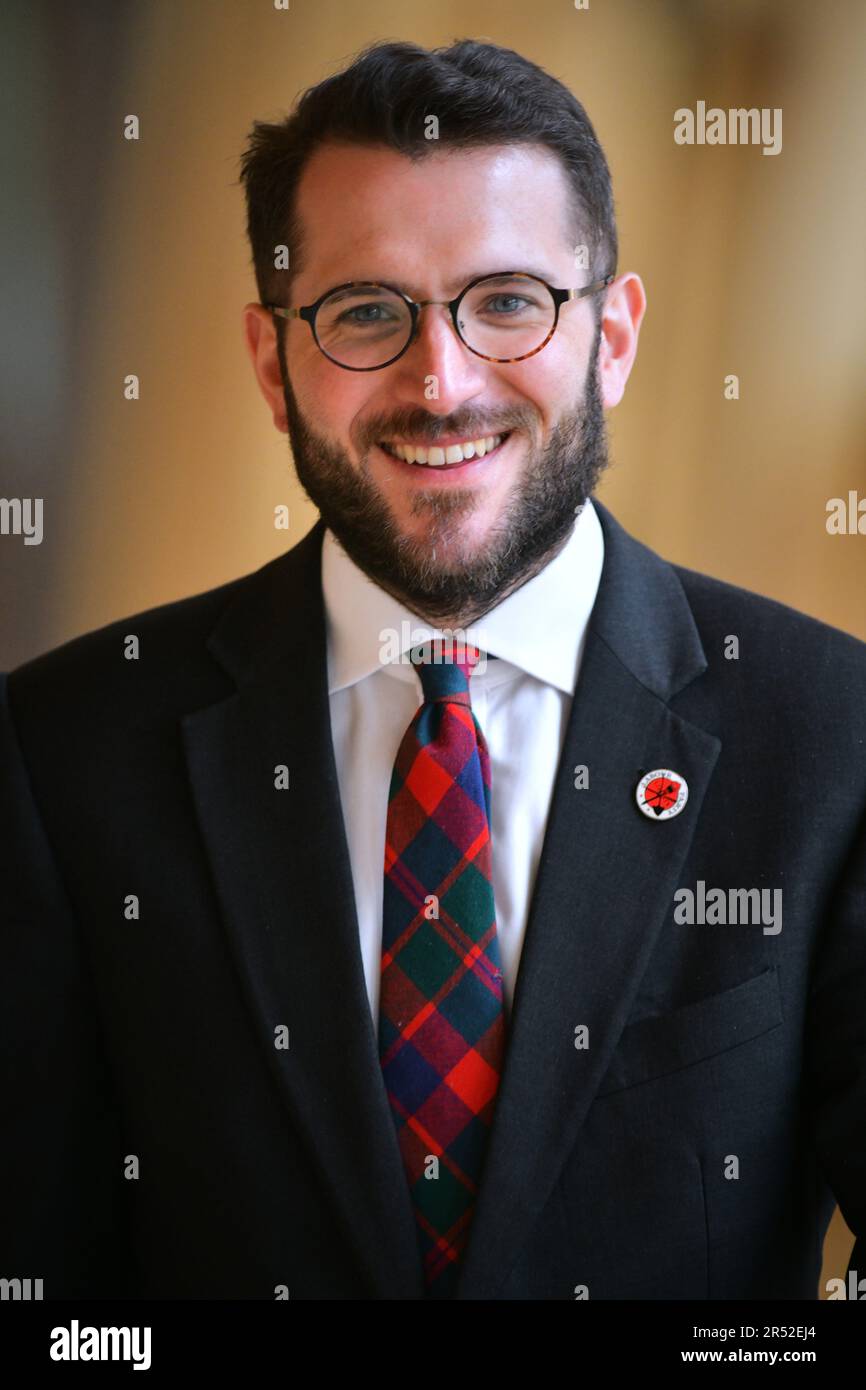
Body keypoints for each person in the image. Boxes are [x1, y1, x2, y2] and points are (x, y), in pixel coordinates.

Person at [2, 37, 865, 1302]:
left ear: (611, 337)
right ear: (269, 360)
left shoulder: (831, 735)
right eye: (365, 313)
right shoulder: (62, 748)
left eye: (506, 300)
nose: (439, 381)